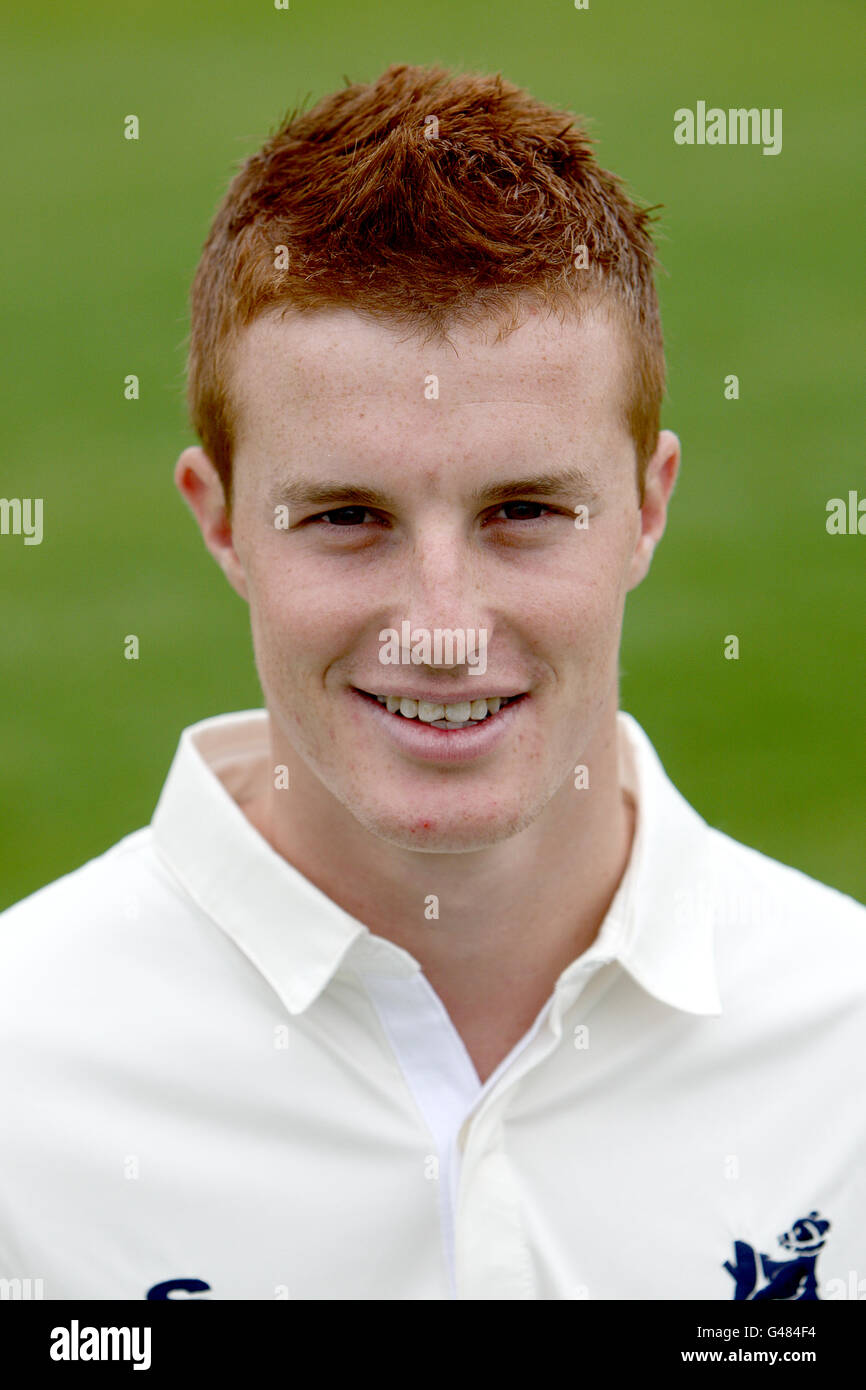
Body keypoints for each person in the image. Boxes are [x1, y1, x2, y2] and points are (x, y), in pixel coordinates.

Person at [1, 63, 863, 1303]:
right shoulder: (19, 1077)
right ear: (223, 522)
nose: (444, 629)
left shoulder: (845, 1045)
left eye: (523, 510)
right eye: (348, 517)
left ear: (647, 505)